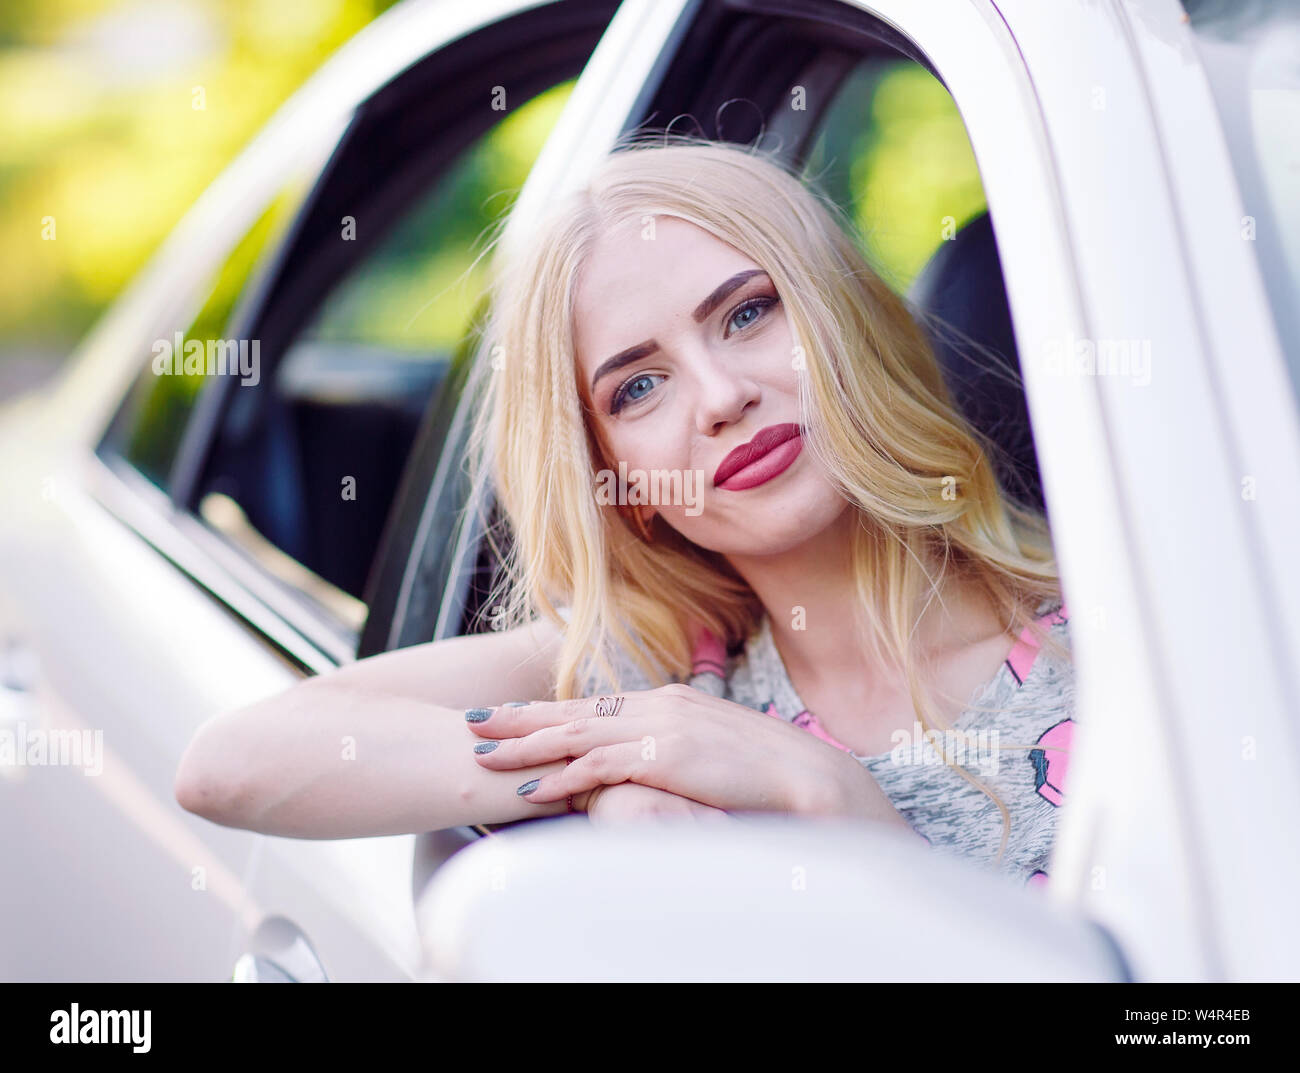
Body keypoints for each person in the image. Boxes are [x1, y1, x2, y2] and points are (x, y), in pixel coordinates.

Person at [175, 134, 1073, 887]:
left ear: (846, 322)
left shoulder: (1127, 630)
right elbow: (231, 761)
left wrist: (826, 793)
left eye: (748, 313)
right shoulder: (669, 668)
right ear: (622, 486)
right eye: (639, 387)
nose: (721, 396)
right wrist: (610, 768)